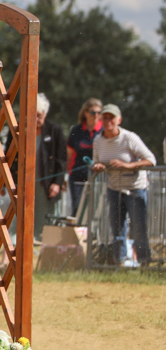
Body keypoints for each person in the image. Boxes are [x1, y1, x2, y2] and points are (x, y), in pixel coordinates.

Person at [92, 104, 156, 266]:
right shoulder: (98, 141)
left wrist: (127, 165)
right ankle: (119, 263)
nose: (108, 121)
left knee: (139, 229)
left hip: (136, 189)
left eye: (111, 118)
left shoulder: (129, 138)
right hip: (114, 189)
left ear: (119, 120)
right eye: (104, 117)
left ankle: (144, 263)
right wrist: (98, 167)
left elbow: (151, 160)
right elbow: (96, 162)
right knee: (117, 229)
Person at [5, 93, 65, 240]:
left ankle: (38, 253)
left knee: (42, 221)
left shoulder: (54, 130)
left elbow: (61, 160)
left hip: (46, 184)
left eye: (39, 115)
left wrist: (57, 183)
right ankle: (11, 252)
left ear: (44, 114)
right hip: (21, 182)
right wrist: (5, 183)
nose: (37, 119)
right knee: (17, 218)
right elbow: (8, 158)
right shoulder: (17, 131)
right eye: (33, 115)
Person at [66, 97, 103, 216]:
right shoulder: (76, 130)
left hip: (97, 175)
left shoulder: (103, 131)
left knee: (96, 209)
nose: (96, 115)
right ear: (85, 113)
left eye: (99, 112)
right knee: (77, 208)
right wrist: (65, 174)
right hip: (77, 175)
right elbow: (70, 154)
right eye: (93, 112)